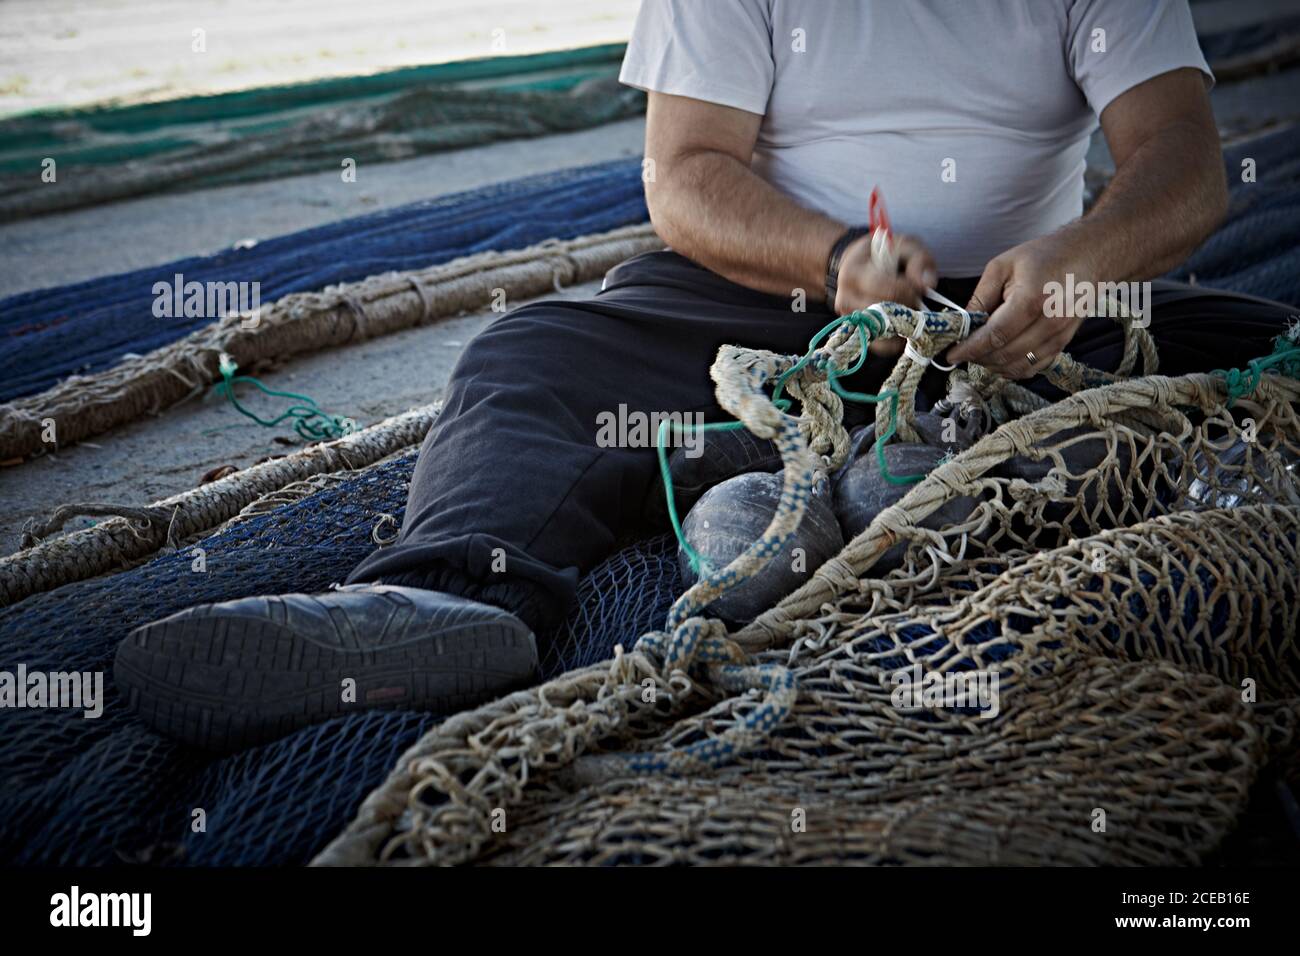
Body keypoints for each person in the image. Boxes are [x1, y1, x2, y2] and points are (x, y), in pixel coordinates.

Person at [115, 0, 1296, 750]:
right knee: (533, 355)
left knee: (1265, 345)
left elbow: (1180, 161)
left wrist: (1081, 265)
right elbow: (685, 174)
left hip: (1021, 315)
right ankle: (444, 603)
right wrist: (834, 258)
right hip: (766, 301)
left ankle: (778, 456)